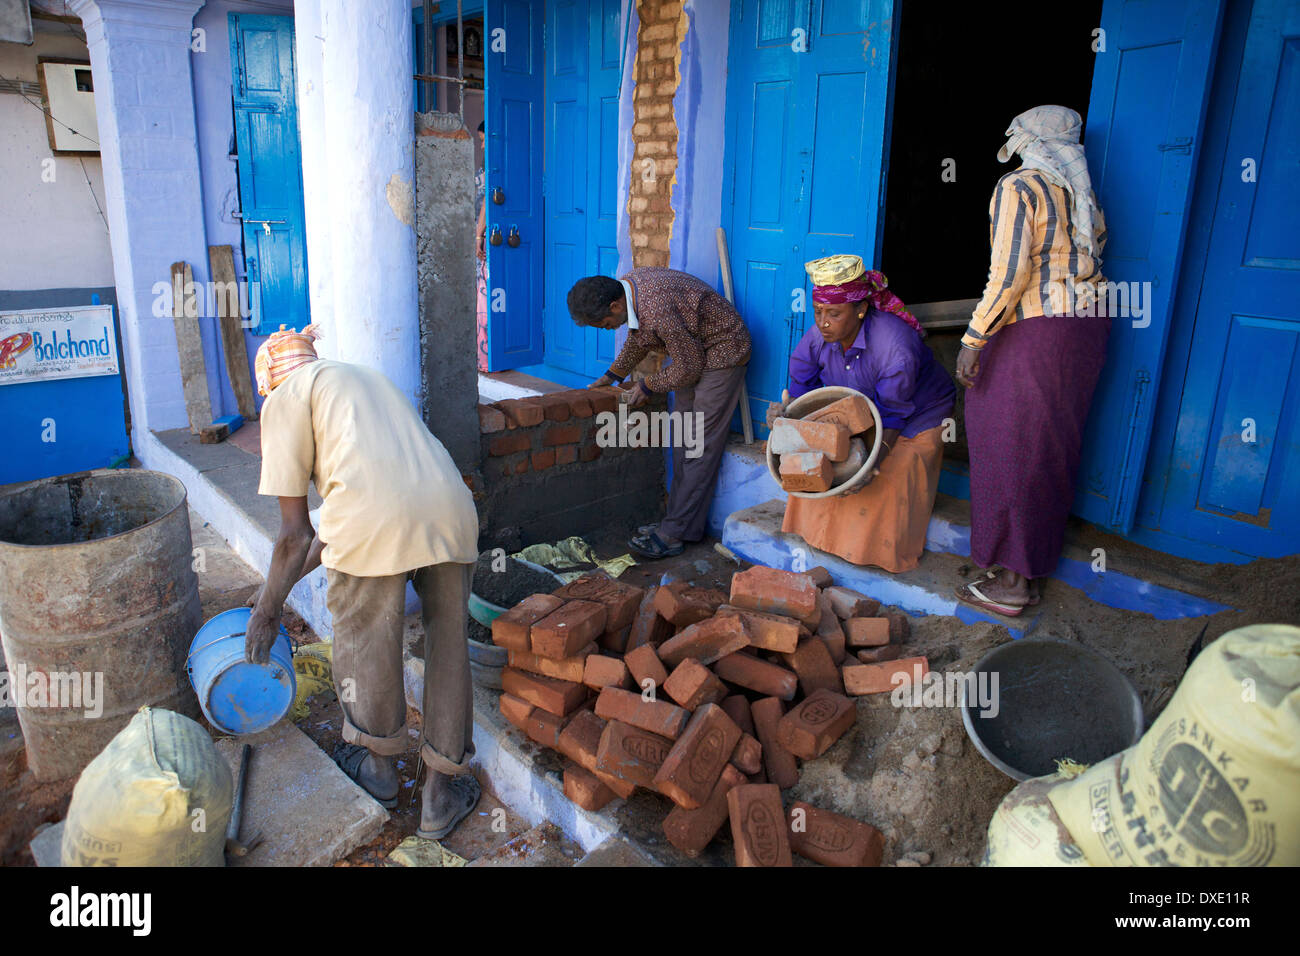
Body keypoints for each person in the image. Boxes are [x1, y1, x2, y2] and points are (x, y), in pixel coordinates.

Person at [244, 324, 482, 838]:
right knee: (448, 649)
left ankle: (378, 771)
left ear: (270, 380)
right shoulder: (359, 379)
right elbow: (340, 521)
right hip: (450, 513)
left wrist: (266, 611)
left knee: (365, 643)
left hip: (374, 520)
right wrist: (274, 587)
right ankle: (441, 795)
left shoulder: (286, 398)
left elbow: (294, 534)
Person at [954, 105, 1110, 616]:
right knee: (1050, 446)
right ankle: (1026, 566)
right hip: (1085, 329)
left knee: (1010, 442)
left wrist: (974, 339)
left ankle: (1013, 584)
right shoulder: (1083, 195)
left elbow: (1008, 275)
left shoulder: (1020, 186)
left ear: (1027, 141)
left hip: (1036, 329)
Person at [778, 256, 956, 572]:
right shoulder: (820, 335)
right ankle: (819, 539)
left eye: (833, 313)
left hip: (917, 415)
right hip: (860, 409)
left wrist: (871, 462)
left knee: (886, 472)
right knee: (813, 457)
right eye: (818, 312)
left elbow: (893, 414)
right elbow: (802, 385)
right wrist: (790, 421)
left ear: (861, 309)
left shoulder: (894, 345)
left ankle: (874, 555)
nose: (822, 322)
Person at [568, 268, 751, 558]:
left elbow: (688, 368)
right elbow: (639, 338)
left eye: (605, 324)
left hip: (723, 351)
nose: (607, 329)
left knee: (698, 447)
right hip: (693, 351)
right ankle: (680, 523)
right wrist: (612, 374)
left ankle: (673, 534)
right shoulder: (628, 289)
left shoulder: (656, 310)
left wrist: (648, 385)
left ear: (615, 306)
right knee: (682, 440)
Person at [474, 120, 489, 371]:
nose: (483, 145)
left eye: (485, 139)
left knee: (487, 298)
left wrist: (478, 235)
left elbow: (488, 201)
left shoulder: (495, 167)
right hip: (491, 240)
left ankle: (487, 358)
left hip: (490, 241)